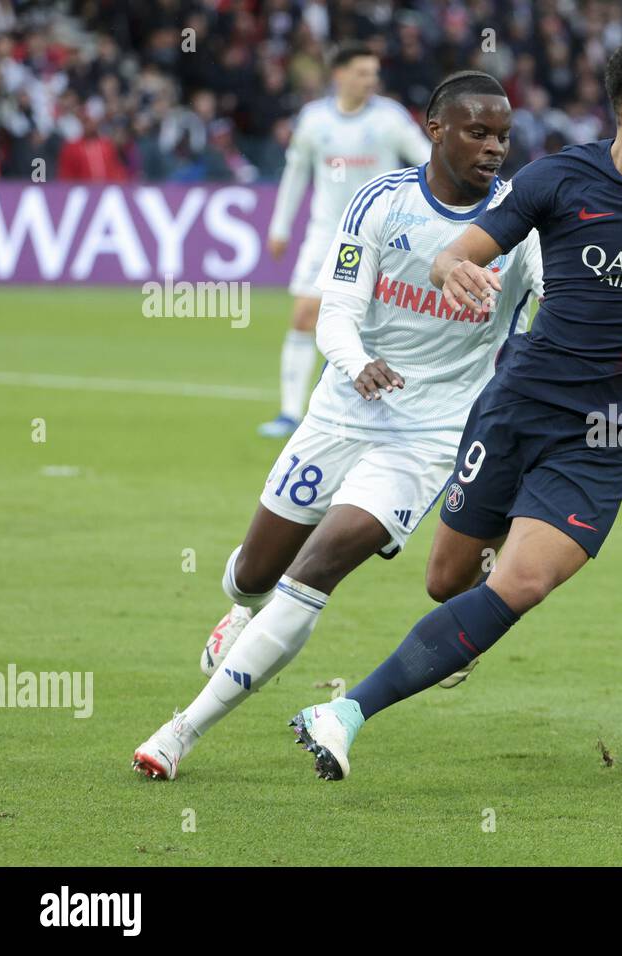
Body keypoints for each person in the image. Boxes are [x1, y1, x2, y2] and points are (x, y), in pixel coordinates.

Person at [288, 35, 622, 781]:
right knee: (449, 581)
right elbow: (463, 250)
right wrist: (451, 268)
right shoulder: (556, 181)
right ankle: (463, 628)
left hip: (612, 432)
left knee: (522, 583)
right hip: (519, 405)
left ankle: (342, 713)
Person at [132, 72, 541, 779]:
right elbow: (337, 311)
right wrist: (357, 365)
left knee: (319, 566)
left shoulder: (523, 224)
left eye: (503, 135)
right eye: (478, 132)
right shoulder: (381, 204)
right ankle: (240, 608)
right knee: (255, 572)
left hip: (428, 438)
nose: (494, 148)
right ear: (435, 127)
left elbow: (546, 320)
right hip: (344, 410)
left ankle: (180, 732)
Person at [259, 43, 431, 439]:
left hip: (379, 235)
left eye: (373, 73)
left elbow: (426, 163)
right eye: (361, 72)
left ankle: (384, 405)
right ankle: (289, 412)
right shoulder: (314, 120)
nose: (370, 80)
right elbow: (296, 173)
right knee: (305, 313)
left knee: (377, 323)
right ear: (338, 75)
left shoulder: (390, 119)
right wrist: (279, 227)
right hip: (326, 233)